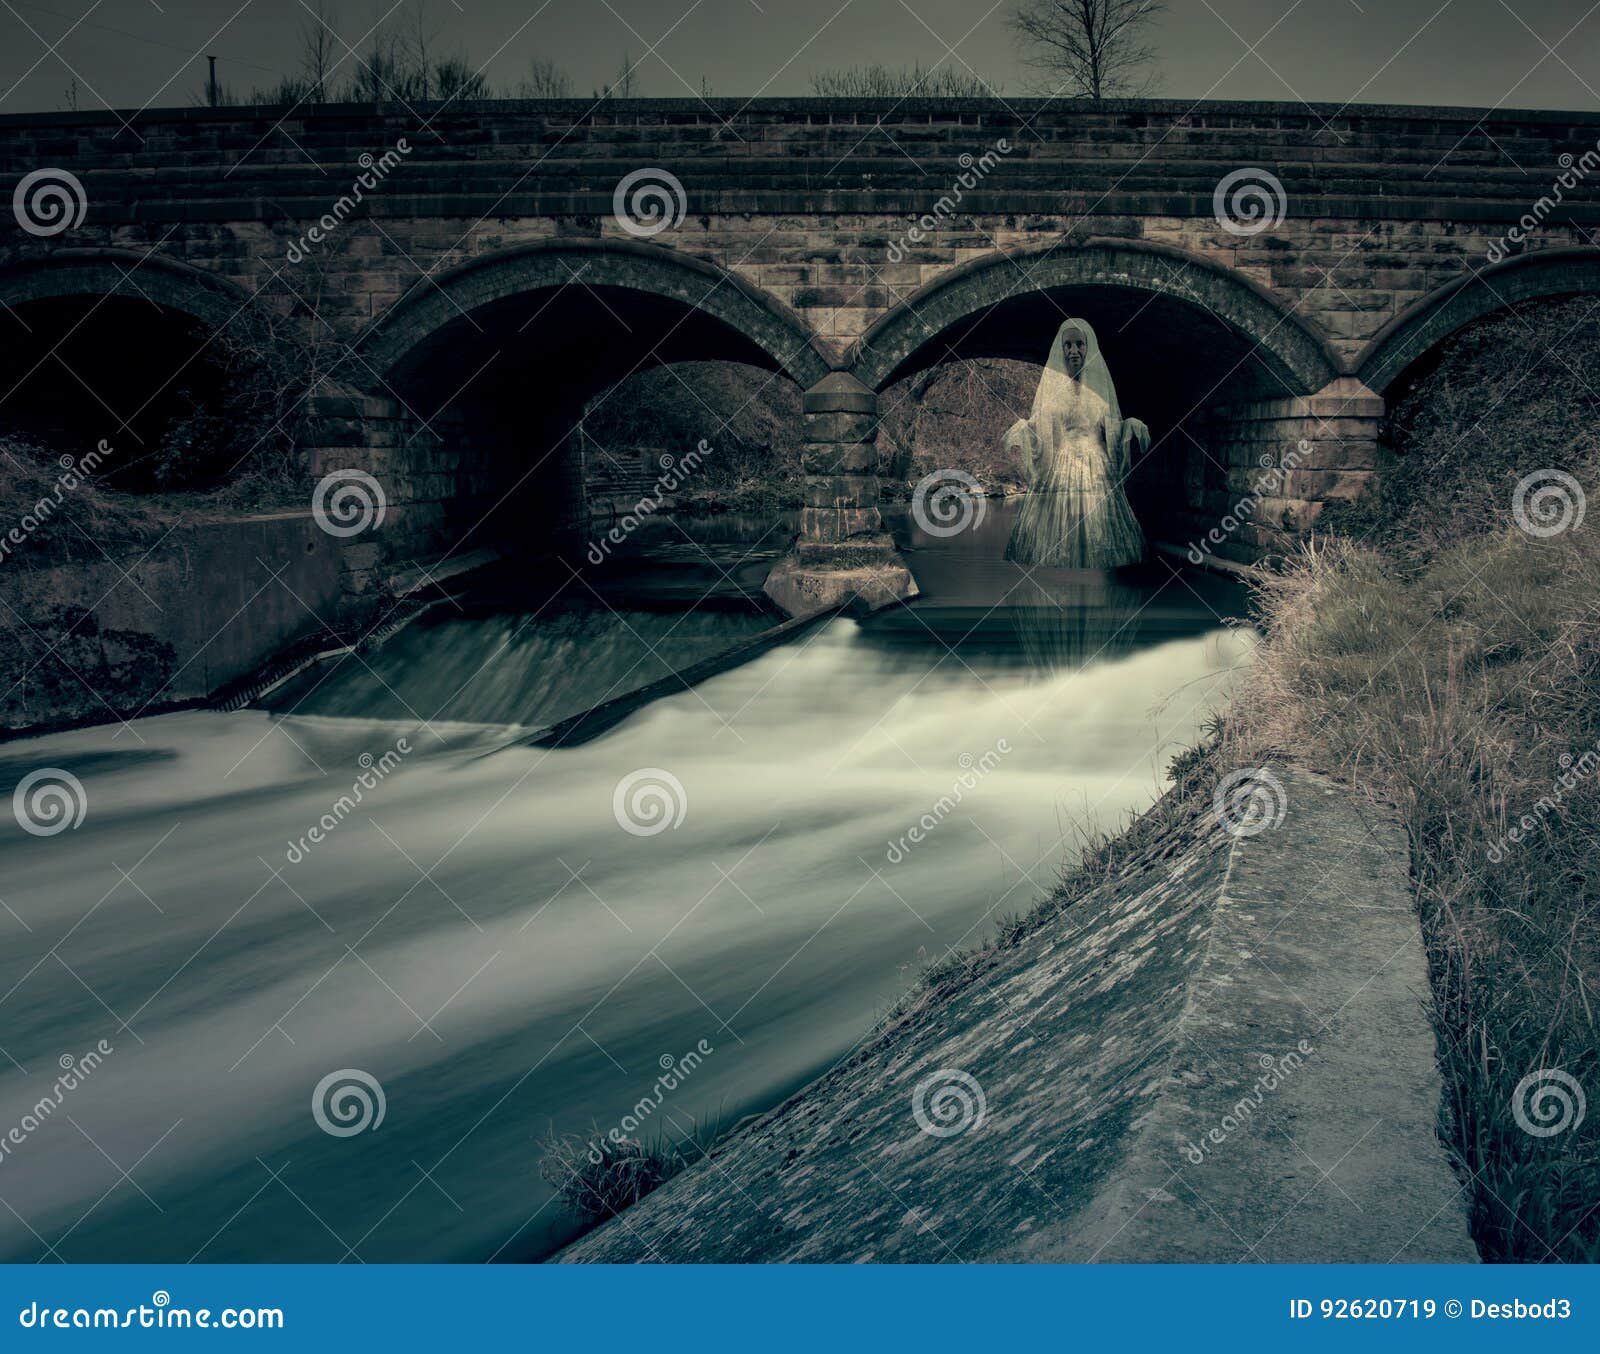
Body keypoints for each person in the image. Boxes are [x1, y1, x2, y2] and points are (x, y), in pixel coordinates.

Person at [1003, 318, 1148, 568]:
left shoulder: (1100, 386)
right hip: (1063, 461)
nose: (1073, 351)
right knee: (1058, 527)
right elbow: (1042, 426)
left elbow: (1111, 425)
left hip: (1096, 463)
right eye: (1068, 345)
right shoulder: (1054, 389)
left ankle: (1094, 584)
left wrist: (1129, 426)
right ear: (1061, 349)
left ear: (1088, 347)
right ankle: (1063, 583)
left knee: (1098, 521)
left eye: (1079, 344)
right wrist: (1025, 430)